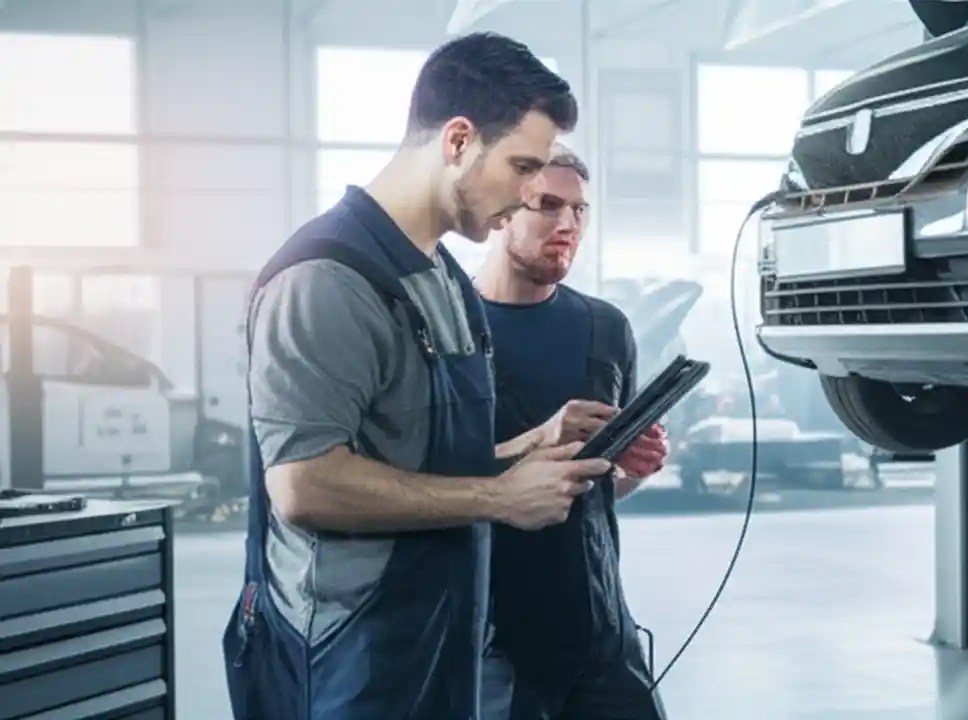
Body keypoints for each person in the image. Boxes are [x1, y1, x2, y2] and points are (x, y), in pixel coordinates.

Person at [221, 33, 613, 720]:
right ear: (458, 140)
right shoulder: (325, 280)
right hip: (345, 661)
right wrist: (500, 499)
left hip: (437, 639)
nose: (530, 195)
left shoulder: (443, 278)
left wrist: (523, 449)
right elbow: (304, 484)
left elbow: (411, 463)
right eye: (523, 167)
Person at [474, 143, 671, 720]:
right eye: (549, 205)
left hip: (601, 628)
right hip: (493, 640)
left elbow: (603, 486)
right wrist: (536, 441)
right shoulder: (451, 326)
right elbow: (424, 479)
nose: (568, 224)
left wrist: (632, 468)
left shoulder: (606, 328)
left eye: (580, 210)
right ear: (504, 210)